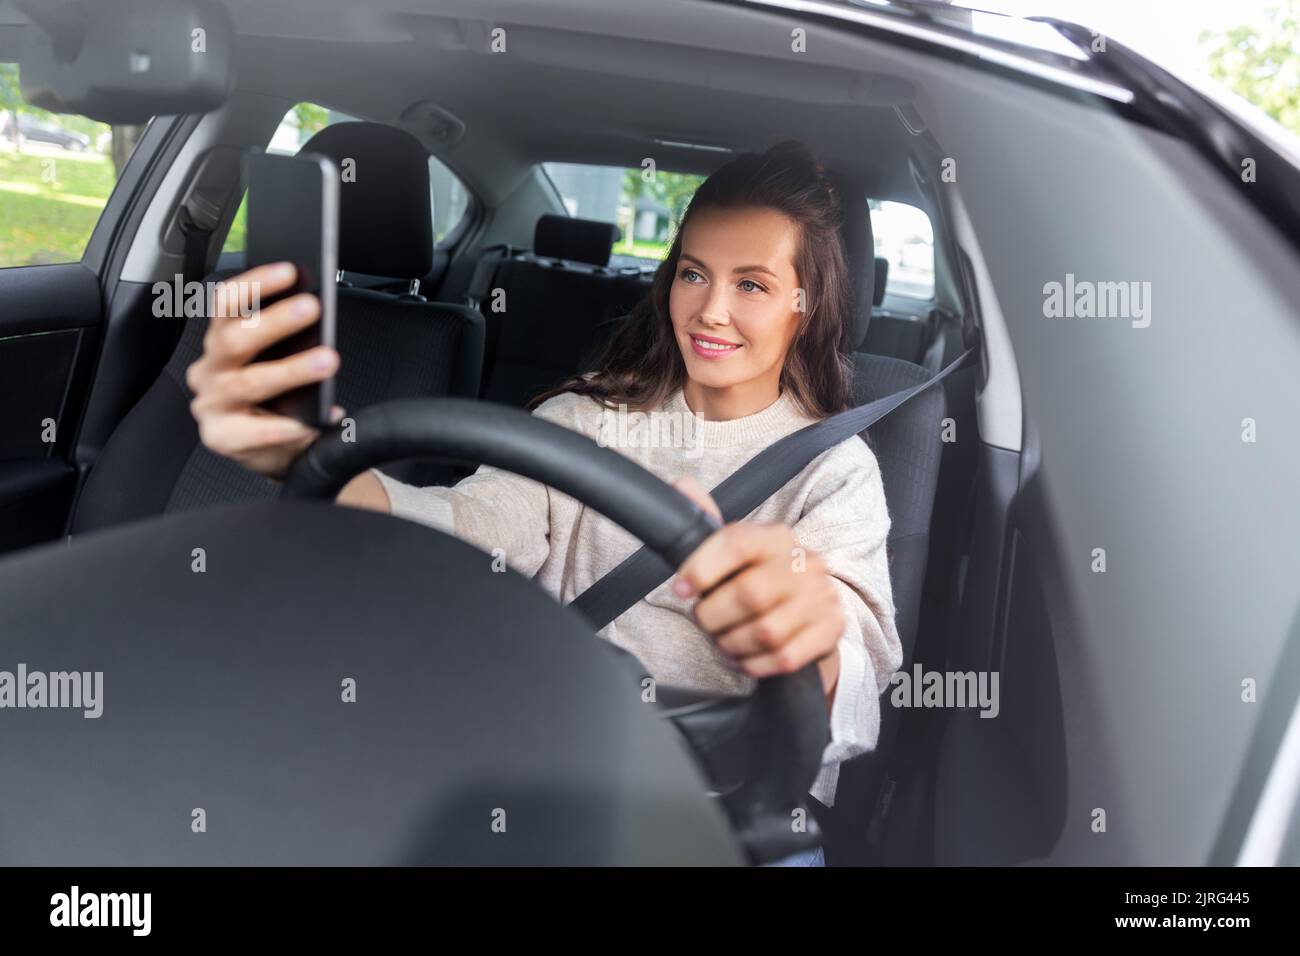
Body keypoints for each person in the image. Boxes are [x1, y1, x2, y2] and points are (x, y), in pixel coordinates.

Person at [187, 139, 903, 866]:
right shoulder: (588, 413)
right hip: (553, 772)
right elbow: (472, 526)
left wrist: (802, 638)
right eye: (693, 273)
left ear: (806, 307)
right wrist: (311, 461)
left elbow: (858, 679)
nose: (710, 311)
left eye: (751, 285)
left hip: (733, 810)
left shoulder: (835, 469)